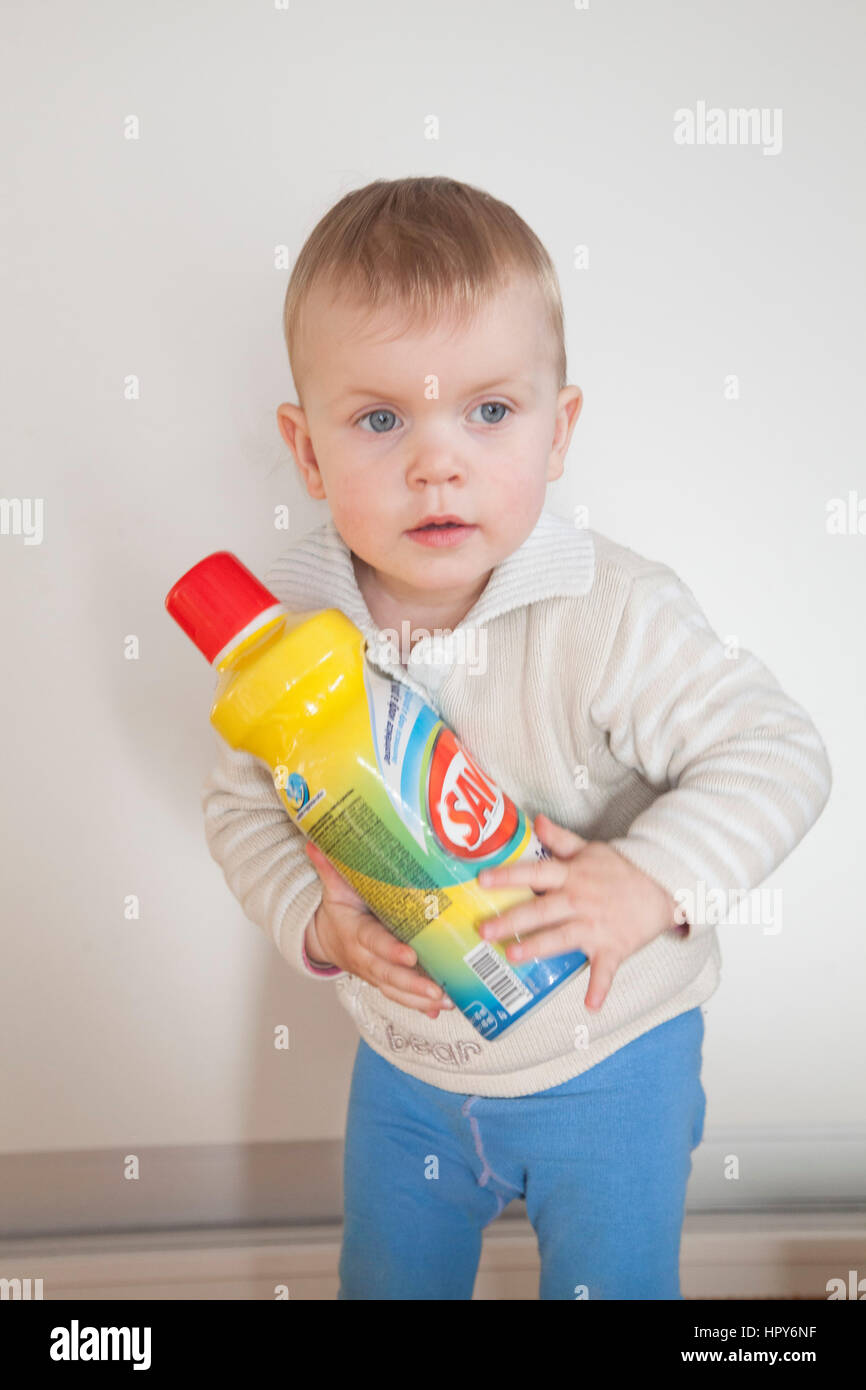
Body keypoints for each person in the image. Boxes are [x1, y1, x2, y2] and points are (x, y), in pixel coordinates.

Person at [201, 176, 832, 1299]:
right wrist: (316, 921)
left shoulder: (611, 610)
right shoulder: (289, 639)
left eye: (488, 412)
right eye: (380, 419)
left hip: (610, 1063)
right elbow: (241, 805)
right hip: (406, 1072)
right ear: (305, 452)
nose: (436, 463)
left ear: (558, 431)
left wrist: (646, 882)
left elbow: (776, 751)